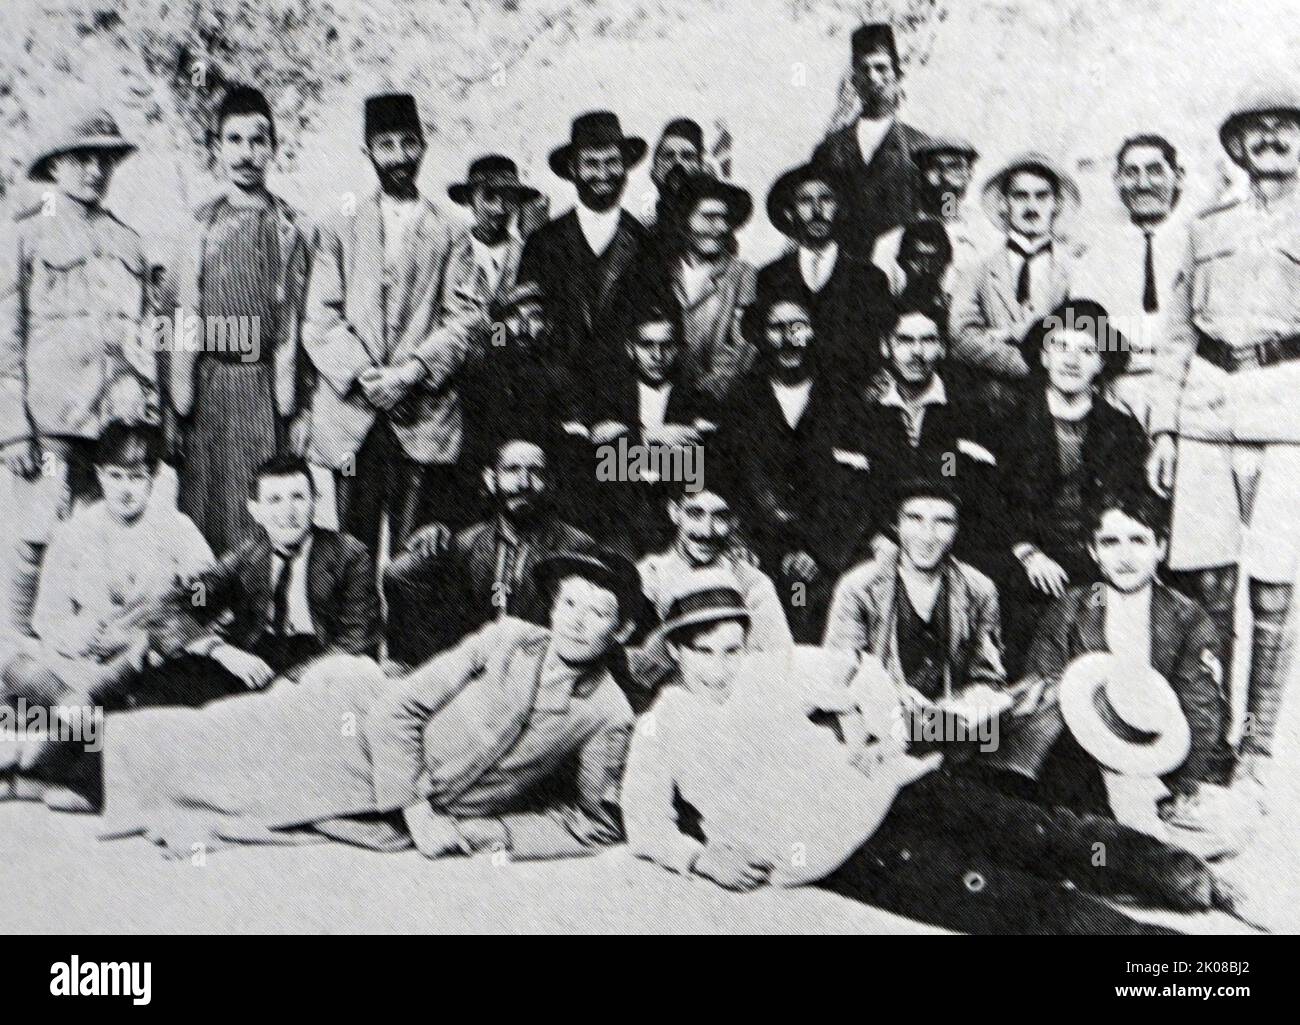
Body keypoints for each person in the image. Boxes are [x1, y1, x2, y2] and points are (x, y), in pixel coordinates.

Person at [624, 577, 1229, 933]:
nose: (722, 667)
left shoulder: (767, 671)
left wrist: (875, 735)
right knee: (1005, 899)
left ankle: (1194, 880)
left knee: (1040, 831)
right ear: (676, 652)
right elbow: (642, 820)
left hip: (888, 787)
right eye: (705, 653)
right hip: (829, 848)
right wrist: (701, 859)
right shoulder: (663, 726)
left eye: (732, 649)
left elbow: (861, 672)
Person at [89, 550, 640, 865]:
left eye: (597, 612)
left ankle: (46, 764)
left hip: (396, 797)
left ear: (622, 629)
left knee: (231, 789)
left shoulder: (608, 713)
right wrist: (419, 812)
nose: (574, 620)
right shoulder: (510, 637)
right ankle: (42, 745)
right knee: (215, 739)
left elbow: (593, 824)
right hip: (363, 730)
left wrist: (490, 835)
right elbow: (399, 709)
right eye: (569, 602)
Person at [1146, 78, 1300, 791]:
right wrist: (1166, 429)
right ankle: (1212, 741)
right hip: (1207, 414)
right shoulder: (1204, 227)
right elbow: (1176, 334)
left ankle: (1260, 746)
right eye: (1256, 128)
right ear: (1235, 145)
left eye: (1285, 127)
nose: (1271, 138)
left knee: (1275, 586)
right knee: (1210, 583)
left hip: (1287, 416)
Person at [0, 106, 156, 639]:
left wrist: (143, 397)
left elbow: (145, 333)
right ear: (57, 166)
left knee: (103, 541)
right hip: (50, 423)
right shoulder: (24, 236)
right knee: (36, 535)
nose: (95, 170)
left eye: (105, 160)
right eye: (82, 158)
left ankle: (88, 657)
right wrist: (12, 426)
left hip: (111, 422)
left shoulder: (129, 243)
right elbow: (5, 338)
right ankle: (16, 656)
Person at [990, 489, 1228, 834]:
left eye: (1139, 540)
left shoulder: (1187, 617)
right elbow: (1038, 688)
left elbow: (1200, 707)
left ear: (1161, 547)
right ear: (1093, 551)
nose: (1125, 555)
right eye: (1110, 542)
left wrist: (1183, 784)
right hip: (1076, 757)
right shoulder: (1071, 608)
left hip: (1151, 760)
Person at [301, 92, 478, 554]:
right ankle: (351, 630)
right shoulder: (338, 227)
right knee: (347, 553)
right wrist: (367, 377)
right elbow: (320, 317)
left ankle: (406, 630)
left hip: (421, 420)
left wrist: (410, 374)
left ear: (423, 146)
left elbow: (465, 320)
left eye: (408, 143)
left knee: (413, 558)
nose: (399, 157)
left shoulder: (454, 229)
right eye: (386, 146)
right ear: (368, 153)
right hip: (353, 418)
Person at [168, 85, 312, 556]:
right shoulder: (199, 224)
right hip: (208, 383)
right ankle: (204, 619)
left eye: (257, 140)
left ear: (272, 148)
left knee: (259, 510)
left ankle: (259, 622)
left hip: (262, 388)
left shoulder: (290, 225)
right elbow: (181, 317)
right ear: (216, 148)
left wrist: (293, 409)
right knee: (203, 511)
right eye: (234, 140)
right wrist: (178, 404)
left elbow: (295, 326)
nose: (246, 153)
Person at [1, 423, 213, 712]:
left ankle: (76, 716)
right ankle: (72, 707)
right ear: (100, 475)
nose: (125, 490)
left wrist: (194, 587)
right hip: (86, 658)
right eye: (115, 476)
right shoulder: (73, 532)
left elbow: (206, 597)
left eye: (136, 478)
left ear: (152, 478)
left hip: (152, 654)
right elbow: (46, 619)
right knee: (10, 656)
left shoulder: (175, 526)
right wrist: (78, 633)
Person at [998, 299, 1147, 671]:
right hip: (1027, 559)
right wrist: (1028, 552)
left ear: (1101, 364)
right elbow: (990, 503)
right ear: (1044, 357)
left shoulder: (1122, 429)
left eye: (1087, 350)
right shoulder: (1008, 421)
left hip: (1095, 561)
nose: (1071, 359)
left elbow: (1132, 505)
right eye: (1060, 346)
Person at [720, 289, 870, 640]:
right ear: (759, 335)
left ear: (816, 331)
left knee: (815, 617)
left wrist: (819, 552)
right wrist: (744, 541)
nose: (788, 339)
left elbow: (859, 488)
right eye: (776, 327)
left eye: (799, 326)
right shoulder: (741, 398)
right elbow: (726, 479)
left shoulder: (844, 400)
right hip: (760, 551)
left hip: (829, 554)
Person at [384, 437, 597, 667]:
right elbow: (398, 576)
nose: (523, 482)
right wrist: (418, 550)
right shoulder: (467, 543)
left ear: (549, 483)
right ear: (490, 479)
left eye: (535, 472)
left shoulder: (577, 546)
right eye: (512, 470)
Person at [186, 453, 381, 686]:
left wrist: (288, 682)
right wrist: (219, 650)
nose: (287, 512)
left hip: (324, 663)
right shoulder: (246, 556)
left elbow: (357, 640)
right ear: (255, 510)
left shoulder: (350, 555)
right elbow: (185, 603)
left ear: (315, 502)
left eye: (298, 497)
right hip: (260, 657)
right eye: (274, 500)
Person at [824, 476, 1004, 704]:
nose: (927, 535)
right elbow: (839, 674)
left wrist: (972, 700)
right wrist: (892, 695)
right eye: (914, 519)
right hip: (881, 721)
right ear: (896, 525)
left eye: (943, 522)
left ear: (958, 529)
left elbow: (988, 675)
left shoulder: (979, 590)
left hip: (952, 726)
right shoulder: (859, 587)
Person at [853, 300, 1002, 573]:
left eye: (928, 341)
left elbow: (982, 497)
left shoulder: (971, 411)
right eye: (905, 341)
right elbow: (850, 490)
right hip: (878, 548)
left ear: (943, 348)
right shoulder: (863, 411)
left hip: (952, 548)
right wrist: (877, 538)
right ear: (886, 347)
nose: (917, 352)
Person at [518, 111, 649, 376]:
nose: (603, 174)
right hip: (554, 400)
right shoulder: (541, 243)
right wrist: (500, 352)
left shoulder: (647, 243)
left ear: (625, 167)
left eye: (612, 162)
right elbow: (511, 321)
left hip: (624, 402)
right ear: (573, 169)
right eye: (591, 163)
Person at [951, 152, 1082, 418]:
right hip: (993, 405)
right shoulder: (976, 269)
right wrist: (1030, 362)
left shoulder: (1076, 268)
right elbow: (961, 337)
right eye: (1020, 196)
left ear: (1056, 204)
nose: (1031, 206)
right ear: (1003, 203)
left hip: (1061, 407)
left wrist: (1011, 333)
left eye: (1042, 196)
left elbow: (1084, 329)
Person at [580, 302, 719, 552]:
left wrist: (626, 442)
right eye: (647, 345)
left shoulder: (699, 402)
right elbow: (601, 466)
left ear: (677, 350)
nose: (657, 355)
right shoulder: (606, 398)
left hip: (679, 529)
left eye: (666, 346)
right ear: (630, 348)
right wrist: (654, 436)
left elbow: (696, 472)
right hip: (616, 524)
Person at [1074, 134, 1188, 429]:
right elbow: (1087, 330)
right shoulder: (1095, 256)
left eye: (1154, 170)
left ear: (1178, 177)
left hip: (1188, 390)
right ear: (1117, 181)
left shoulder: (1199, 245)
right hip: (1119, 391)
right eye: (1131, 173)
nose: (1143, 183)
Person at [619, 170, 757, 401]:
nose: (720, 227)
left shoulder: (743, 277)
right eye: (709, 217)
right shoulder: (658, 272)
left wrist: (696, 398)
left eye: (725, 219)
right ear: (684, 220)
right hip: (655, 403)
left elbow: (741, 350)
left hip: (717, 407)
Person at [757, 161, 894, 394]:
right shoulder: (771, 276)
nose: (817, 210)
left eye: (826, 199)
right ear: (789, 213)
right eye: (805, 201)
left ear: (841, 209)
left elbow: (879, 349)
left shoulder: (870, 278)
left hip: (853, 404)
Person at [811, 23, 934, 259]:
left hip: (902, 273)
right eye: (864, 70)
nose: (873, 78)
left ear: (898, 76)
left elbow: (946, 207)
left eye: (881, 68)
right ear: (854, 80)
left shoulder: (921, 147)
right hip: (844, 276)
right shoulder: (829, 150)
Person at [637, 473, 793, 655]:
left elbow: (776, 660)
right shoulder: (648, 578)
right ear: (674, 512)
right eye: (695, 514)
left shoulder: (753, 584)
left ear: (735, 521)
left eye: (720, 517)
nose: (706, 530)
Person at [872, 135, 988, 299]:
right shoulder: (890, 244)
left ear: (969, 174)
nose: (944, 177)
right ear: (920, 175)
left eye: (955, 167)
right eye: (934, 167)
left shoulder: (987, 240)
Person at [442, 154, 539, 345]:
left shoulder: (526, 255)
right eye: (489, 196)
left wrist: (499, 337)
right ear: (470, 199)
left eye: (509, 199)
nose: (499, 208)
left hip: (511, 363)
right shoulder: (452, 250)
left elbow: (528, 319)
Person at [645, 118, 705, 229]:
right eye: (668, 156)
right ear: (654, 172)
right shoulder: (639, 235)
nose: (678, 163)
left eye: (687, 156)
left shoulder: (715, 235)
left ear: (701, 168)